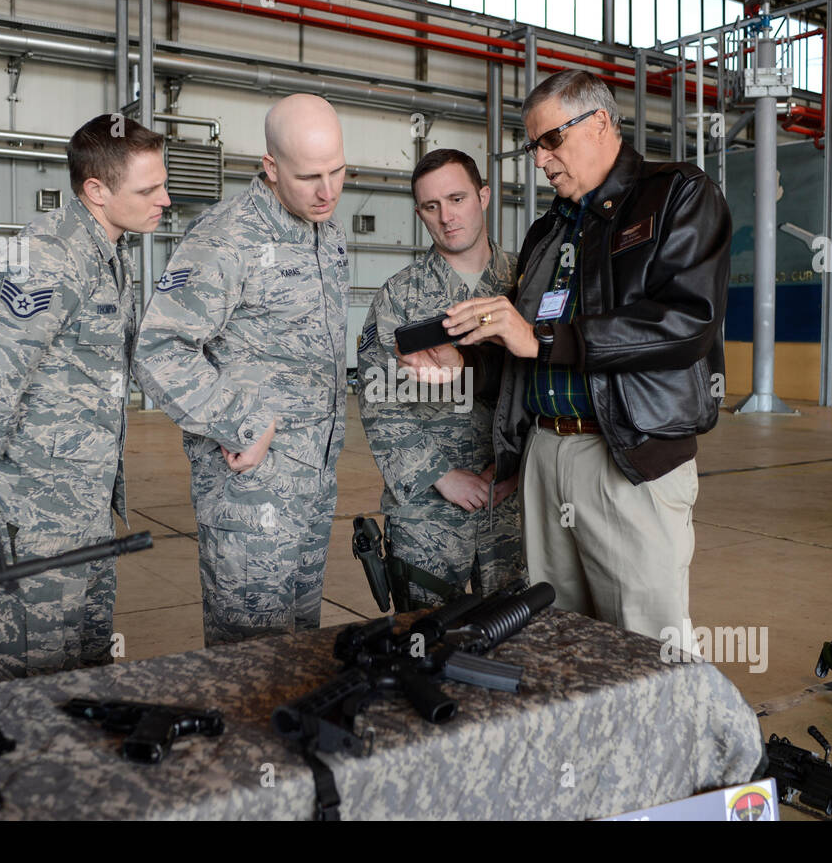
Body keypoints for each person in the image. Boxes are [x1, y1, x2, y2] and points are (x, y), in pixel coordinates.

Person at [418, 69, 730, 642]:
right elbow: (524, 350)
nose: (540, 160)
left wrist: (542, 338)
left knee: (642, 645)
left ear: (602, 122)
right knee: (558, 638)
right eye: (532, 145)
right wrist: (466, 365)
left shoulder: (677, 194)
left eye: (550, 140)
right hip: (544, 454)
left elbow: (688, 324)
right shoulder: (548, 230)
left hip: (627, 456)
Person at [0, 113, 169, 680]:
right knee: (25, 683)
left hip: (82, 512)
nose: (165, 198)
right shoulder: (49, 257)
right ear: (96, 190)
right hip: (30, 521)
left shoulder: (108, 254)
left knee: (80, 670)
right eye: (149, 188)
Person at [132, 93, 349, 645]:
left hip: (315, 478)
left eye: (338, 171)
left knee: (301, 649)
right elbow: (159, 348)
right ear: (271, 168)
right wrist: (244, 425)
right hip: (251, 489)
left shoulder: (328, 236)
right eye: (308, 177)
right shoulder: (226, 238)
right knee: (251, 660)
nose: (327, 192)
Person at [357, 148, 525, 608]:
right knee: (425, 641)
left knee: (521, 636)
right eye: (431, 207)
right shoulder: (400, 296)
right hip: (428, 510)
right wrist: (441, 475)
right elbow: (377, 399)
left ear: (484, 197)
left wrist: (517, 467)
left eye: (457, 199)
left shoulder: (525, 284)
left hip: (513, 503)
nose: (446, 217)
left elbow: (544, 378)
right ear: (419, 213)